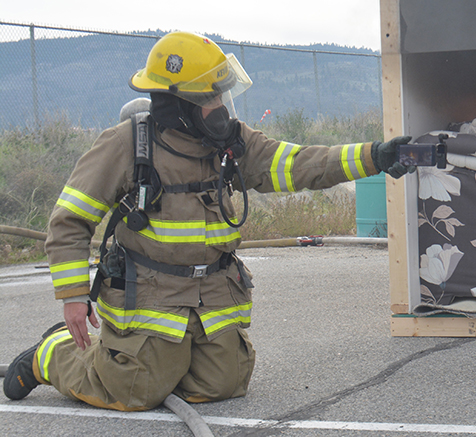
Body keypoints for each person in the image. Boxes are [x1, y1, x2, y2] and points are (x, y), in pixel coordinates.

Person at [3, 31, 414, 410]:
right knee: (132, 390)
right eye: (210, 98)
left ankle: (161, 362)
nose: (220, 107)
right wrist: (73, 296)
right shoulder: (127, 145)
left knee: (224, 384)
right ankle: (53, 354)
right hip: (152, 295)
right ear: (178, 104)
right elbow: (70, 220)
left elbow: (298, 162)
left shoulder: (230, 143)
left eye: (221, 95)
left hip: (214, 293)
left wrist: (374, 157)